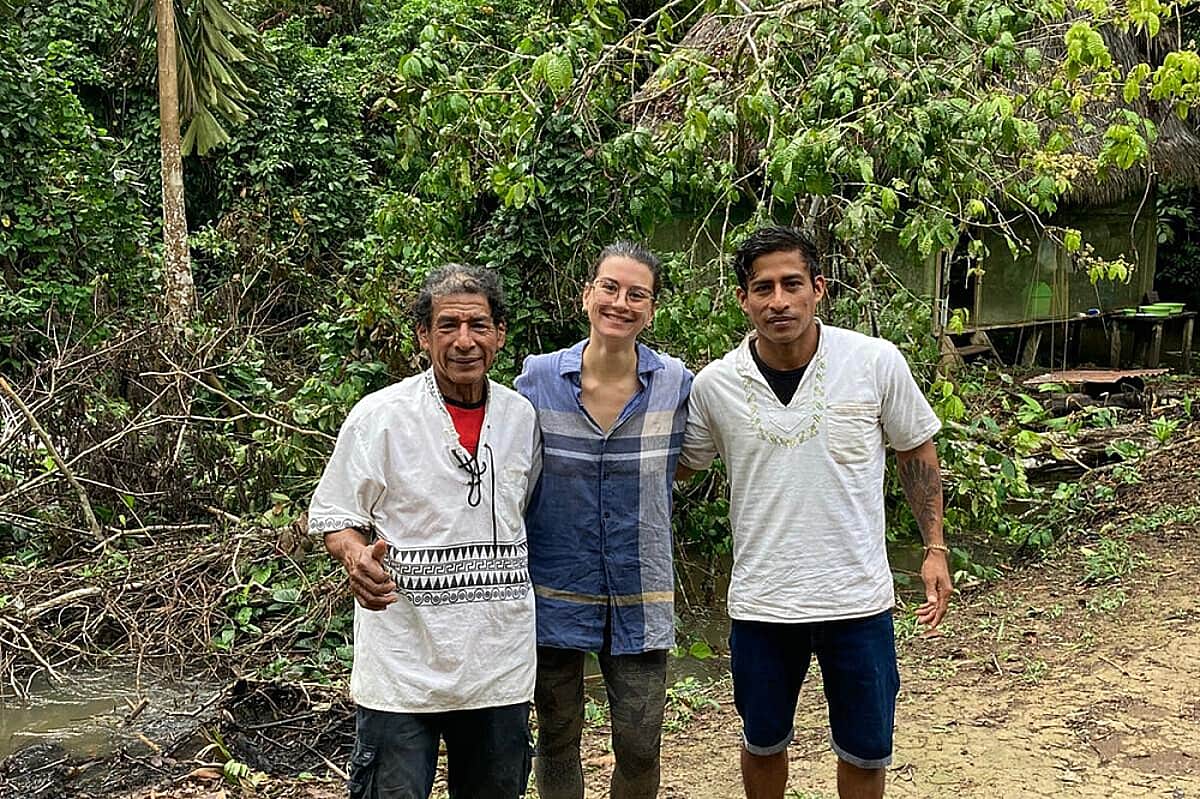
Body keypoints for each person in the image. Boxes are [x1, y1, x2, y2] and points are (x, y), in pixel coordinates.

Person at [677, 226, 952, 799]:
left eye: (791, 284)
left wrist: (934, 549)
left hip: (856, 599)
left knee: (865, 746)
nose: (778, 301)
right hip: (761, 603)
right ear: (742, 299)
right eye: (762, 288)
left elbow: (915, 452)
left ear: (818, 289)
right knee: (762, 741)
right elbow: (678, 466)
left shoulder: (874, 362)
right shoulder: (714, 386)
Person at [309, 264, 540, 799]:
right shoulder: (380, 417)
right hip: (401, 666)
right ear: (423, 336)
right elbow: (337, 515)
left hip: (497, 663)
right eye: (448, 326)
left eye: (479, 325)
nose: (465, 341)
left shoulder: (521, 417)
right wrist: (355, 557)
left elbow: (523, 510)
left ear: (499, 334)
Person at [515, 242, 692, 799]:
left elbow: (687, 461)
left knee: (641, 742)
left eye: (636, 293)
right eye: (610, 288)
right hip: (553, 588)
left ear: (652, 308)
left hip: (641, 591)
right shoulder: (538, 379)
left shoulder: (676, 384)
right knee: (557, 735)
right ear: (587, 294)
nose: (621, 302)